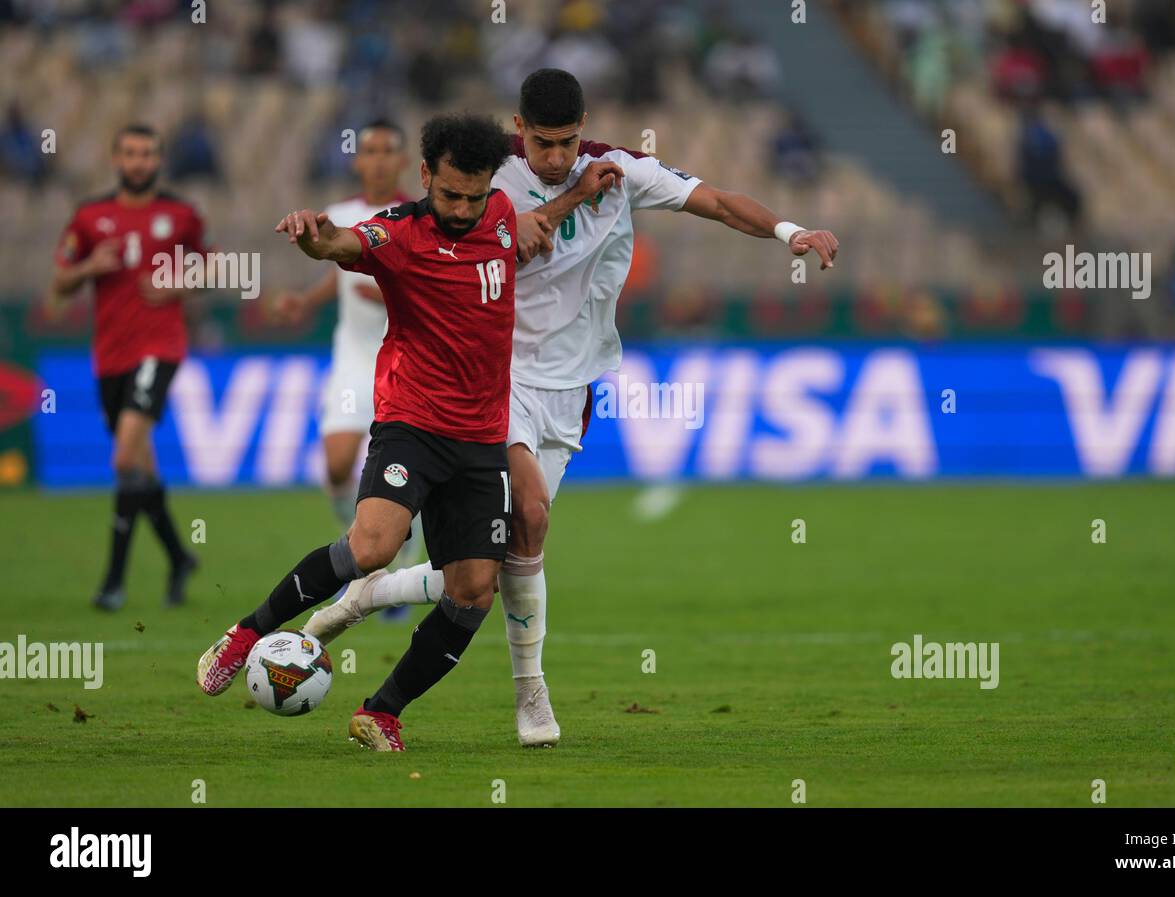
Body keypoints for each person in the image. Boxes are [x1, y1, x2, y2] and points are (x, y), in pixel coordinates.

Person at [304, 68, 840, 748]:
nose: (557, 158)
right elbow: (463, 235)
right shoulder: (484, 172)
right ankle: (530, 690)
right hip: (493, 376)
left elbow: (719, 201)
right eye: (545, 144)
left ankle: (367, 595)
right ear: (520, 130)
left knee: (501, 557)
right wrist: (551, 211)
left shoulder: (619, 171)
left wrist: (789, 231)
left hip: (571, 387)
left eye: (569, 142)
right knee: (527, 510)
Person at [196, 113, 517, 754]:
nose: (460, 208)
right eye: (448, 193)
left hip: (484, 436)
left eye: (473, 196)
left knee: (476, 588)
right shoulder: (399, 232)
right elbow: (342, 244)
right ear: (425, 176)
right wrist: (313, 237)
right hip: (413, 423)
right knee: (372, 546)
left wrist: (579, 193)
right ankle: (247, 632)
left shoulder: (503, 212)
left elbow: (530, 213)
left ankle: (381, 712)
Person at [48, 123, 203, 611]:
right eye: (130, 153)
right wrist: (90, 268)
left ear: (158, 160)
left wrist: (177, 282)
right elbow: (60, 283)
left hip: (159, 348)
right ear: (116, 159)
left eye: (148, 154)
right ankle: (179, 556)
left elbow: (213, 266)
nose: (139, 162)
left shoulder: (181, 215)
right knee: (138, 464)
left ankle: (113, 582)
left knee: (122, 458)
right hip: (110, 354)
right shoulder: (90, 217)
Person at [268, 120, 426, 600]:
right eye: (369, 150)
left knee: (405, 471)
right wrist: (307, 301)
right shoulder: (338, 214)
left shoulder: (414, 216)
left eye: (387, 151)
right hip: (354, 361)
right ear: (357, 160)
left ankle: (395, 558)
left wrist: (392, 296)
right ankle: (368, 546)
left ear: (402, 161)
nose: (377, 159)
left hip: (405, 362)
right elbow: (340, 276)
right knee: (337, 467)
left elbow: (425, 281)